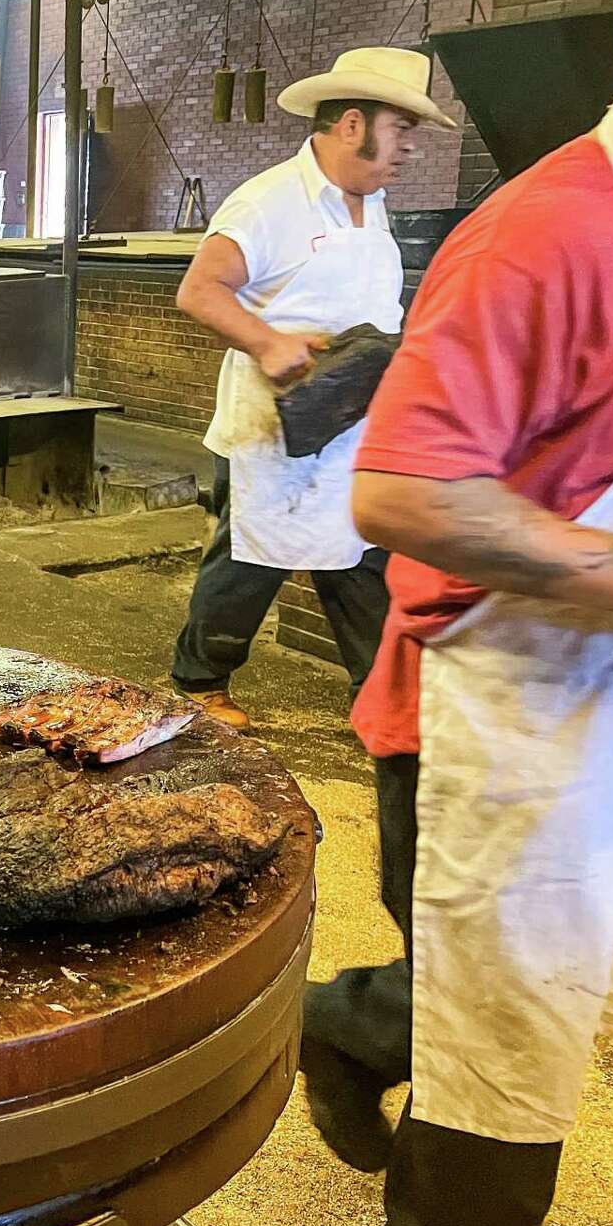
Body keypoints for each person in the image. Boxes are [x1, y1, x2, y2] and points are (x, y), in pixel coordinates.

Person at [299, 0, 613, 1226]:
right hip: (500, 719)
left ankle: (355, 1018)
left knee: (544, 984)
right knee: (510, 1031)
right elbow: (404, 488)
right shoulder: (548, 235)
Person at [168, 48, 455, 729]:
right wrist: (269, 342)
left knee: (358, 556)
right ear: (353, 123)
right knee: (250, 561)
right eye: (402, 128)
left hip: (354, 421)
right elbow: (200, 290)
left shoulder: (372, 206)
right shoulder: (270, 201)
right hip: (277, 426)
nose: (410, 146)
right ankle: (198, 679)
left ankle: (382, 694)